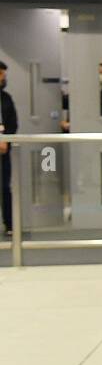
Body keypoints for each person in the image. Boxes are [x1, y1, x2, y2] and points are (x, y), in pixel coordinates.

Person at [0, 60, 16, 236]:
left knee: (5, 187)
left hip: (4, 151)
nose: (3, 78)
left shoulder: (6, 99)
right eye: (1, 74)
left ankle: (9, 224)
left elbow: (13, 123)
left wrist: (6, 140)